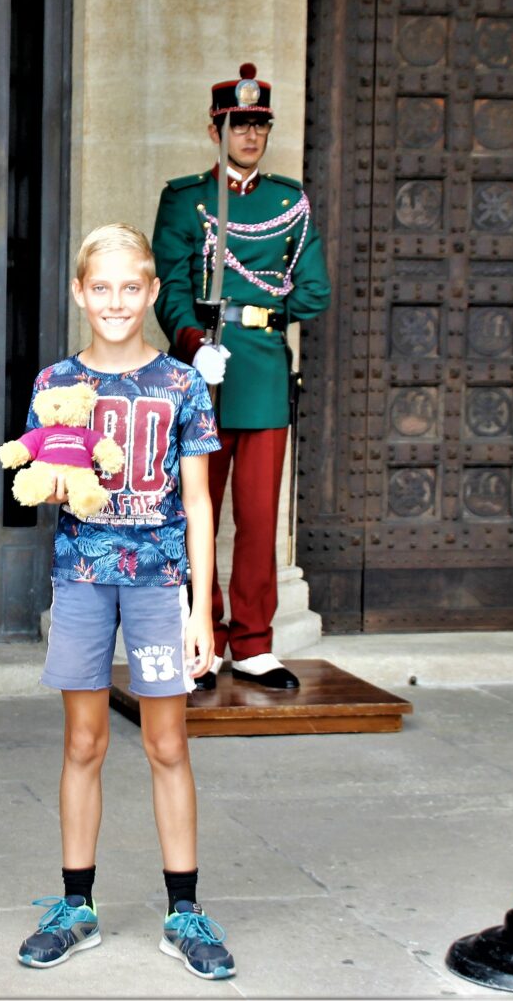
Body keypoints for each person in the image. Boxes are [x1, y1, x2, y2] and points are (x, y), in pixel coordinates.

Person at [15, 223, 236, 981]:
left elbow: (201, 504)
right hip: (82, 577)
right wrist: (42, 479)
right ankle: (76, 904)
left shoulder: (182, 384)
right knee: (83, 742)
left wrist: (203, 609)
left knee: (167, 742)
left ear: (150, 292)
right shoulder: (54, 383)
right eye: (100, 288)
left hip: (156, 583)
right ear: (80, 293)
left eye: (129, 288)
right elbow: (38, 475)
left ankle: (185, 909)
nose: (115, 302)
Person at [150, 62, 332, 691]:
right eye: (238, 123)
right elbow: (169, 286)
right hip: (202, 368)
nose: (250, 135)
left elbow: (313, 291)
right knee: (192, 510)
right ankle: (197, 638)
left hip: (261, 372)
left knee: (258, 517)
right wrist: (193, 339)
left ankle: (252, 643)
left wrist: (264, 309)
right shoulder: (186, 200)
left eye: (259, 124)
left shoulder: (290, 202)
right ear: (215, 130)